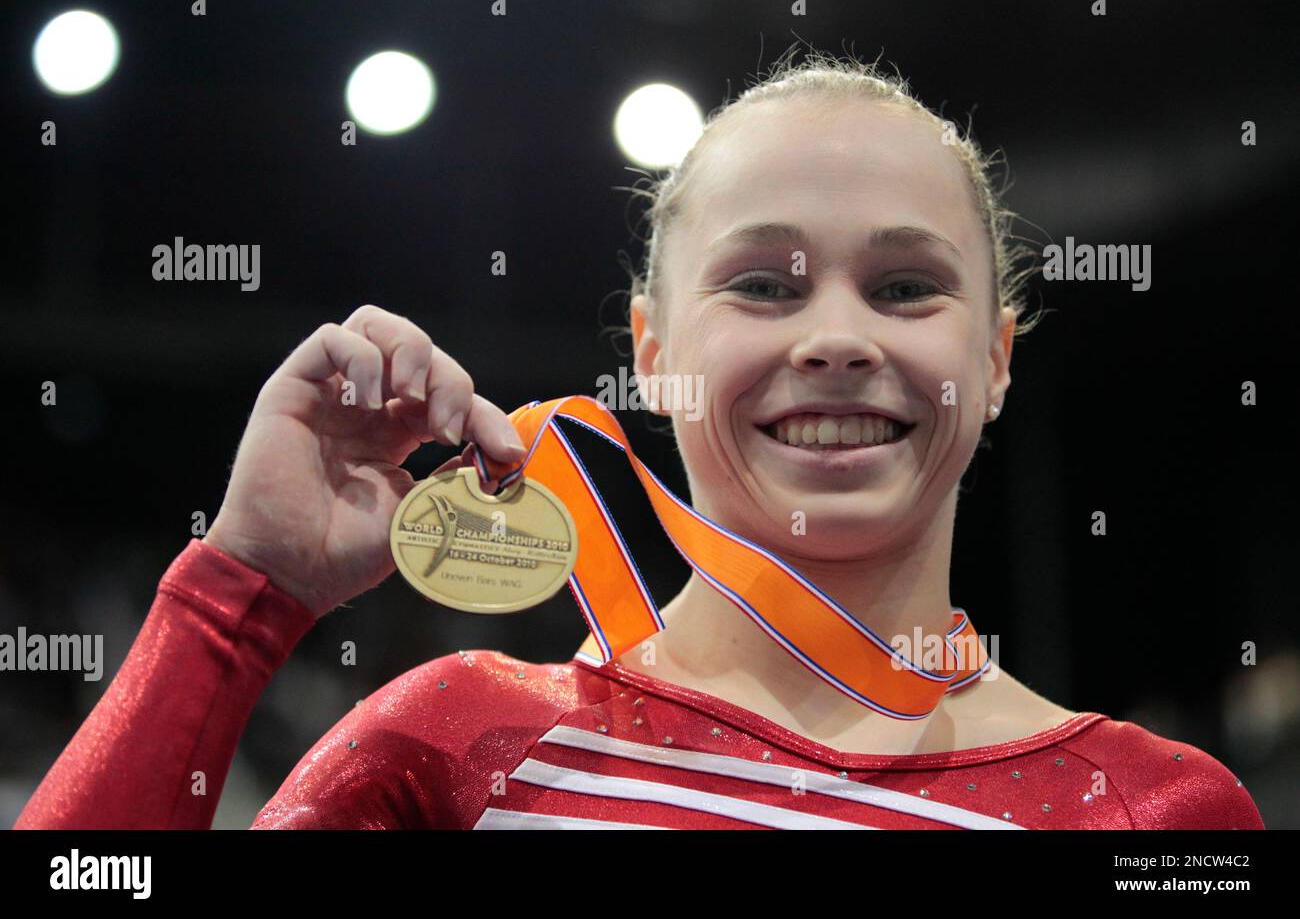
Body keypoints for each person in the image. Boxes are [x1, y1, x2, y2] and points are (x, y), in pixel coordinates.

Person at [15, 50, 1264, 830]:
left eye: (902, 287)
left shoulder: (1153, 811)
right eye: (763, 287)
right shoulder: (460, 742)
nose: (834, 334)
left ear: (993, 362)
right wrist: (239, 595)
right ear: (652, 352)